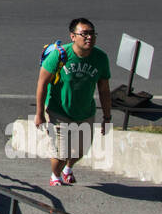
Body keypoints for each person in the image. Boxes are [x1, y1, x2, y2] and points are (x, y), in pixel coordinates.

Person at [34, 18, 111, 187]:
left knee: (80, 151)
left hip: (85, 112)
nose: (89, 37)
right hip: (59, 111)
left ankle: (68, 170)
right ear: (73, 36)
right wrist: (39, 113)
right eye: (84, 34)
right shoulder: (60, 55)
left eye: (92, 33)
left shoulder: (101, 58)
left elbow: (104, 89)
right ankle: (55, 176)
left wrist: (107, 117)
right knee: (61, 153)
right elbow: (42, 83)